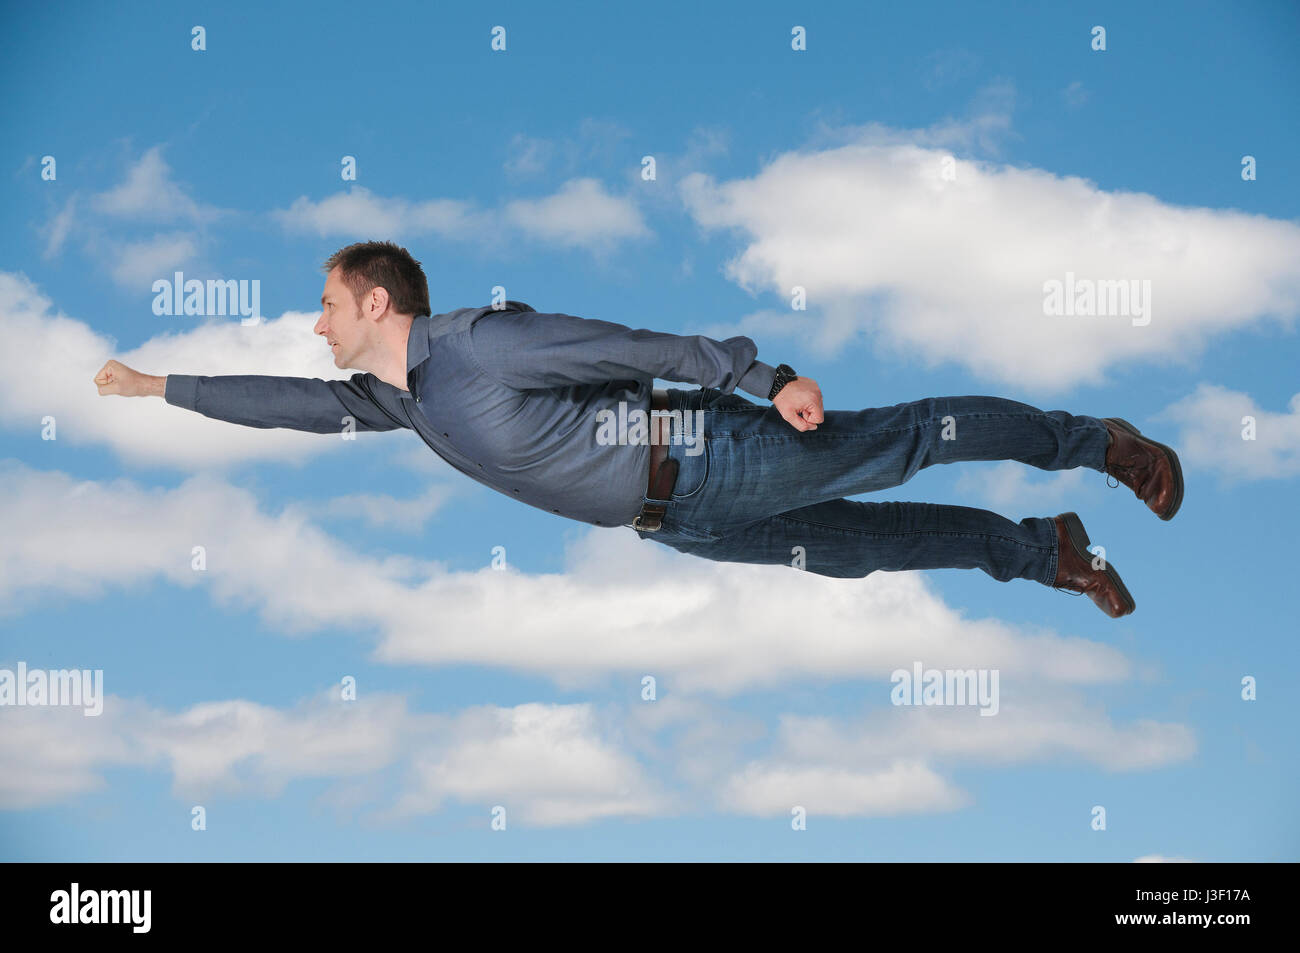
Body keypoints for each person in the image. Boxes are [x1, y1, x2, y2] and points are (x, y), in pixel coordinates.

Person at [94, 241, 1183, 619]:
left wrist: (764, 375)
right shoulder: (403, 399)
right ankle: (1045, 550)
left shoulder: (477, 346)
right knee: (871, 546)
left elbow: (628, 345)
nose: (317, 323)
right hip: (679, 520)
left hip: (709, 451)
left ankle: (1101, 443)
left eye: (328, 304)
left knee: (901, 440)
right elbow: (289, 403)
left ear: (376, 301)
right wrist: (157, 387)